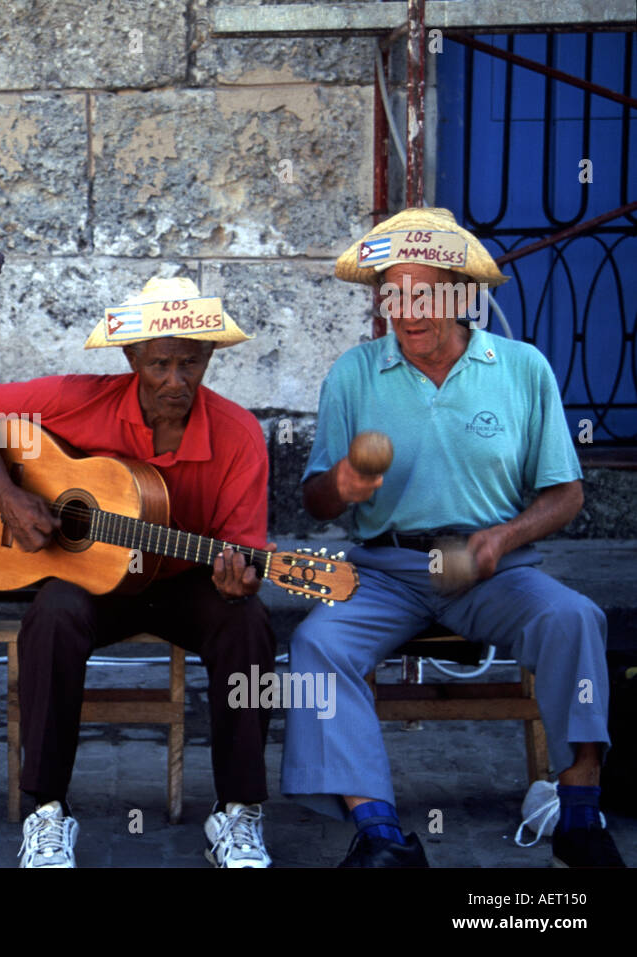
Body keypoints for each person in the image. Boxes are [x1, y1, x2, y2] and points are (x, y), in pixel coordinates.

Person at [280, 207, 624, 868]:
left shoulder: (522, 369)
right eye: (393, 292)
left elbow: (567, 494)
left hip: (494, 569)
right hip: (383, 570)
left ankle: (580, 802)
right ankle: (380, 833)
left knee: (575, 618)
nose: (406, 309)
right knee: (316, 644)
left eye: (424, 291)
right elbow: (315, 497)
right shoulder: (354, 373)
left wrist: (504, 537)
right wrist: (344, 484)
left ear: (464, 295)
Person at [0, 276, 279, 868]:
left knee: (248, 622)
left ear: (209, 356)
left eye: (190, 362)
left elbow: (241, 552)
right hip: (92, 579)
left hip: (185, 581)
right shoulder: (79, 398)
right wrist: (7, 497)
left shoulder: (238, 435)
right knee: (51, 617)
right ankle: (46, 812)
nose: (175, 381)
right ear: (131, 357)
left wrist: (241, 577)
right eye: (159, 364)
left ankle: (237, 812)